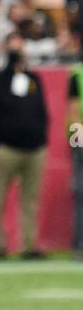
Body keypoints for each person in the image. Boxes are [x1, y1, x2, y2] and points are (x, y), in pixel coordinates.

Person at [0, 35, 49, 258]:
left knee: (31, 200)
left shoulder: (34, 79)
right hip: (7, 148)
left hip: (35, 147)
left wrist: (41, 137)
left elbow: (42, 111)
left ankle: (29, 245)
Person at [69, 59, 83, 257]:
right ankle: (80, 244)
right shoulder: (77, 73)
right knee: (81, 194)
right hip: (82, 141)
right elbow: (73, 112)